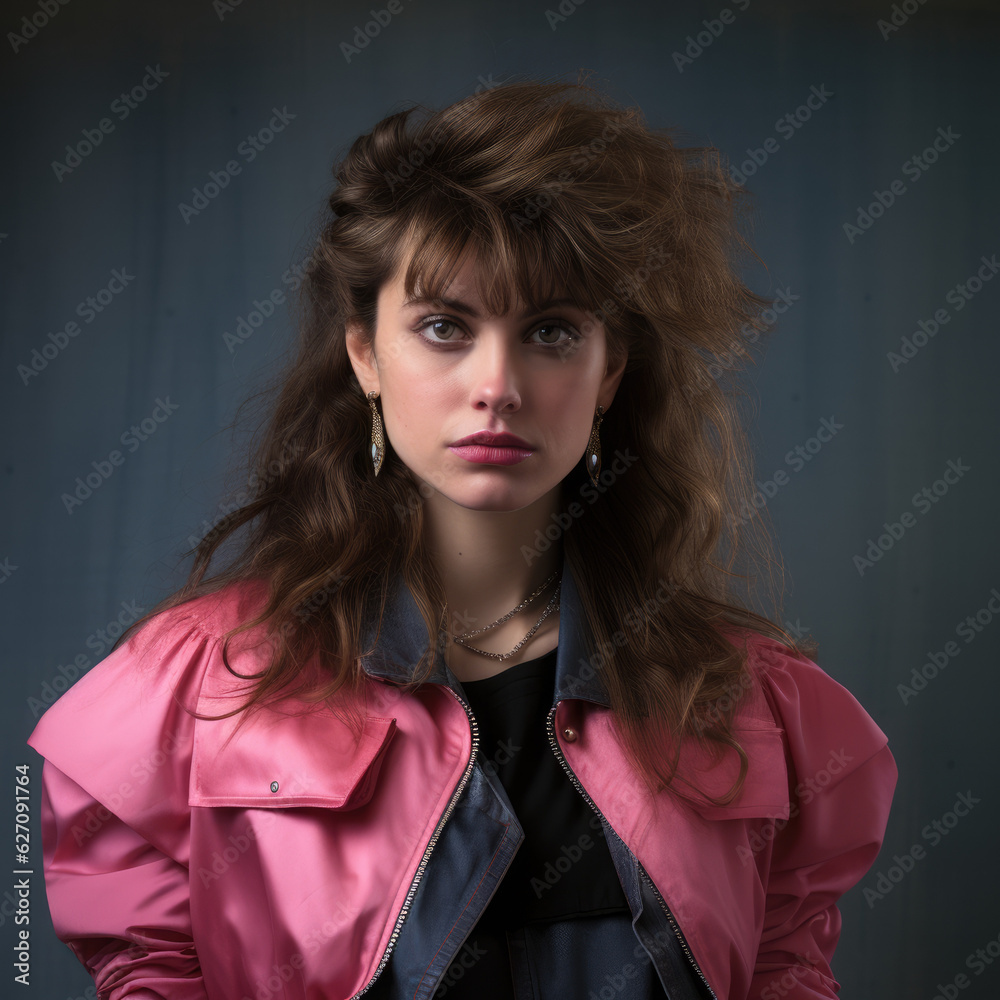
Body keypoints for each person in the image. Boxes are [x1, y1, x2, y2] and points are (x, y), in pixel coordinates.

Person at [27, 77, 897, 1000]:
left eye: (552, 332)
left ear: (609, 376)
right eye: (444, 326)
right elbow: (149, 967)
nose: (498, 384)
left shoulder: (759, 705)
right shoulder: (187, 695)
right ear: (364, 352)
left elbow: (785, 967)